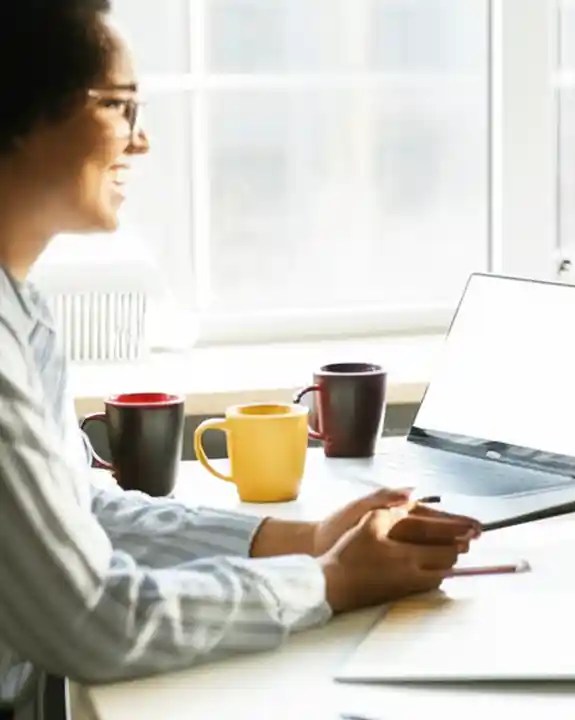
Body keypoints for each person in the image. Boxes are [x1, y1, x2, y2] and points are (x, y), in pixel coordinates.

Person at [0, 2, 482, 716]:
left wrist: (304, 538)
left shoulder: (23, 312)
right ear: (22, 111)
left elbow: (77, 509)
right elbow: (92, 617)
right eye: (122, 107)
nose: (143, 140)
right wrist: (325, 581)